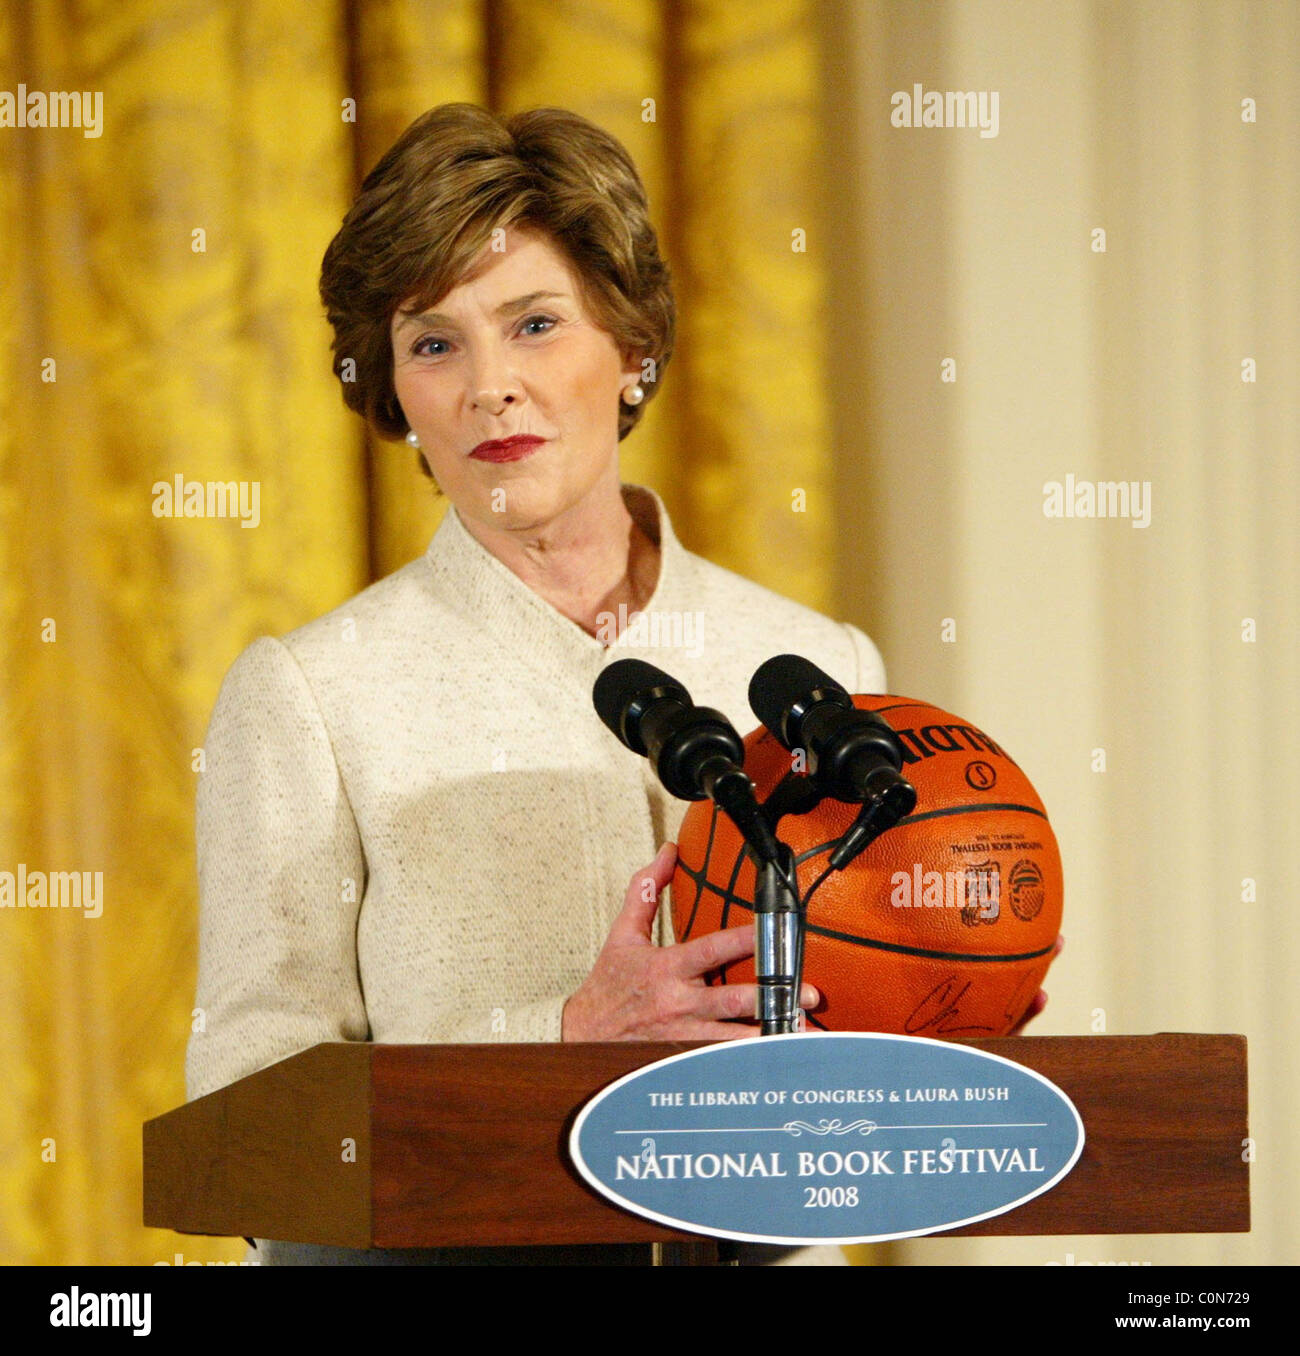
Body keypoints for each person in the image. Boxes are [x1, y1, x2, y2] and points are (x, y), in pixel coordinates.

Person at [184, 103, 1042, 1266]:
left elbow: (846, 1090)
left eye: (534, 325)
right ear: (393, 395)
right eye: (432, 344)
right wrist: (558, 1044)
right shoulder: (308, 695)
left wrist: (947, 1018)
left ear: (630, 351)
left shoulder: (819, 664)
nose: (490, 385)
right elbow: (248, 1135)